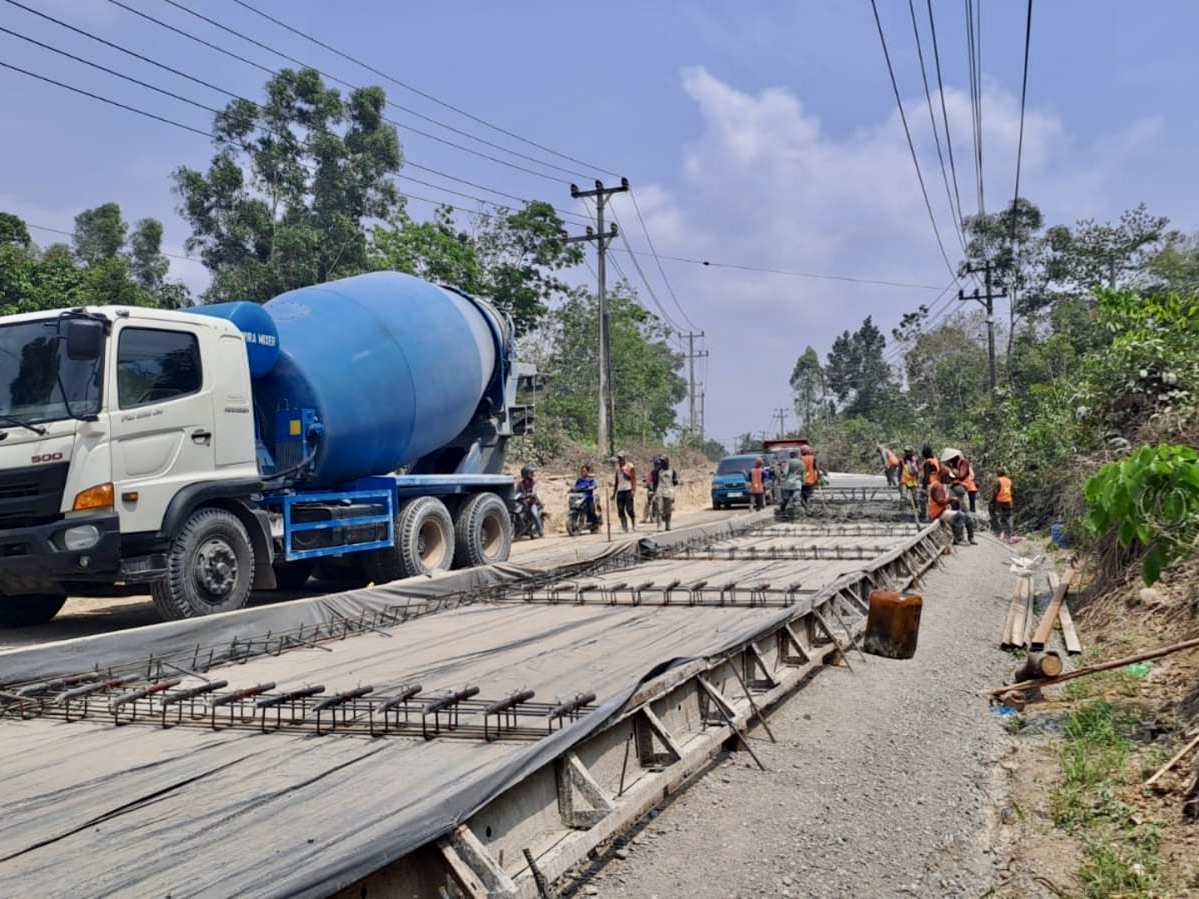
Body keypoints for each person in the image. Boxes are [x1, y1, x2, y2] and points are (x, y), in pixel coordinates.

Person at [927, 465, 975, 545]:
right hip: (938, 512)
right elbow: (940, 501)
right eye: (947, 477)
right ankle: (959, 539)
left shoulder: (940, 484)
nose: (948, 479)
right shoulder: (937, 486)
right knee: (960, 515)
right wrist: (951, 500)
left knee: (967, 517)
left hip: (941, 510)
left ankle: (970, 538)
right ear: (943, 476)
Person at [940, 448, 978, 513]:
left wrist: (953, 471)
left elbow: (962, 475)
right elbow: (950, 479)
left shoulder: (963, 462)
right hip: (959, 486)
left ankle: (969, 516)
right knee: (954, 502)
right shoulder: (954, 464)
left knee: (970, 509)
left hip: (968, 486)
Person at [517, 465, 544, 537]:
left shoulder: (534, 483)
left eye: (532, 472)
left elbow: (534, 490)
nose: (533, 474)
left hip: (532, 503)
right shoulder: (520, 484)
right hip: (523, 503)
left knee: (535, 514)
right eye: (531, 473)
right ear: (525, 474)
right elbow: (516, 492)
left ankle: (540, 531)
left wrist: (532, 493)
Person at [613, 451, 636, 532]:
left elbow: (633, 478)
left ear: (624, 458)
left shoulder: (630, 466)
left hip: (628, 490)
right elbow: (616, 481)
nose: (620, 460)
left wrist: (633, 490)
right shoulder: (617, 468)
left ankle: (633, 525)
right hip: (620, 490)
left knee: (630, 510)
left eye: (621, 458)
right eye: (619, 458)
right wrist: (614, 493)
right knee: (620, 510)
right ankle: (624, 527)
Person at [777, 450, 805, 515]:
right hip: (798, 483)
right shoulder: (802, 463)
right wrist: (803, 482)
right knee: (796, 498)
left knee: (785, 499)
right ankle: (796, 512)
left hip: (788, 483)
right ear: (797, 455)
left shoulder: (789, 462)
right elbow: (803, 474)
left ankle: (782, 511)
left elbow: (785, 472)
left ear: (790, 455)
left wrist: (782, 477)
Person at [655, 456, 679, 530]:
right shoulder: (658, 471)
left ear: (667, 462)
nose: (662, 463)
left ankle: (668, 524)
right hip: (660, 490)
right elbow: (655, 481)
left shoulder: (672, 471)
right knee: (659, 509)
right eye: (661, 462)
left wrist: (675, 482)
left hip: (669, 491)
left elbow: (675, 481)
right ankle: (659, 526)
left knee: (668, 510)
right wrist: (654, 490)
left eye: (663, 461)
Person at [574, 463, 601, 531]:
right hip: (580, 497)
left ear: (587, 472)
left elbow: (595, 485)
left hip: (588, 497)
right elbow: (576, 487)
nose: (582, 473)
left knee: (591, 511)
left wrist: (592, 487)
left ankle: (596, 524)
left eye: (584, 471)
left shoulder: (590, 480)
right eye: (582, 471)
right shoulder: (579, 480)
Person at [990, 467, 1015, 541]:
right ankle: (1010, 533)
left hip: (1000, 501)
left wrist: (992, 502)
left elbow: (995, 493)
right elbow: (1012, 492)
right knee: (1008, 517)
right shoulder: (1009, 481)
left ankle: (998, 531)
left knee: (995, 514)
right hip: (1008, 501)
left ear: (998, 473)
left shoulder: (998, 480)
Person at [800, 444, 820, 511]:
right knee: (809, 495)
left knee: (803, 496)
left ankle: (806, 508)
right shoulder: (813, 458)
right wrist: (818, 478)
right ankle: (808, 508)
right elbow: (817, 469)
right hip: (811, 480)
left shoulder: (800, 459)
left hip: (802, 480)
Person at [641, 456, 661, 523]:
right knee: (647, 503)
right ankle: (644, 518)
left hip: (660, 489)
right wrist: (646, 484)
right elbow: (649, 480)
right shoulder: (652, 473)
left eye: (657, 465)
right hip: (652, 490)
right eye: (655, 465)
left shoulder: (662, 472)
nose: (656, 466)